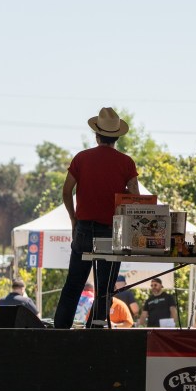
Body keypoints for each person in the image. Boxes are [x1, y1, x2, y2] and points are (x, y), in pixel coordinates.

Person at [54, 107, 139, 330]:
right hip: (113, 232)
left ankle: (59, 331)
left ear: (96, 134)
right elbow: (136, 198)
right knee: (105, 288)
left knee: (73, 284)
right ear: (117, 137)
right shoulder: (126, 162)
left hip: (84, 229)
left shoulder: (81, 158)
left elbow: (66, 191)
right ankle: (95, 330)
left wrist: (73, 219)